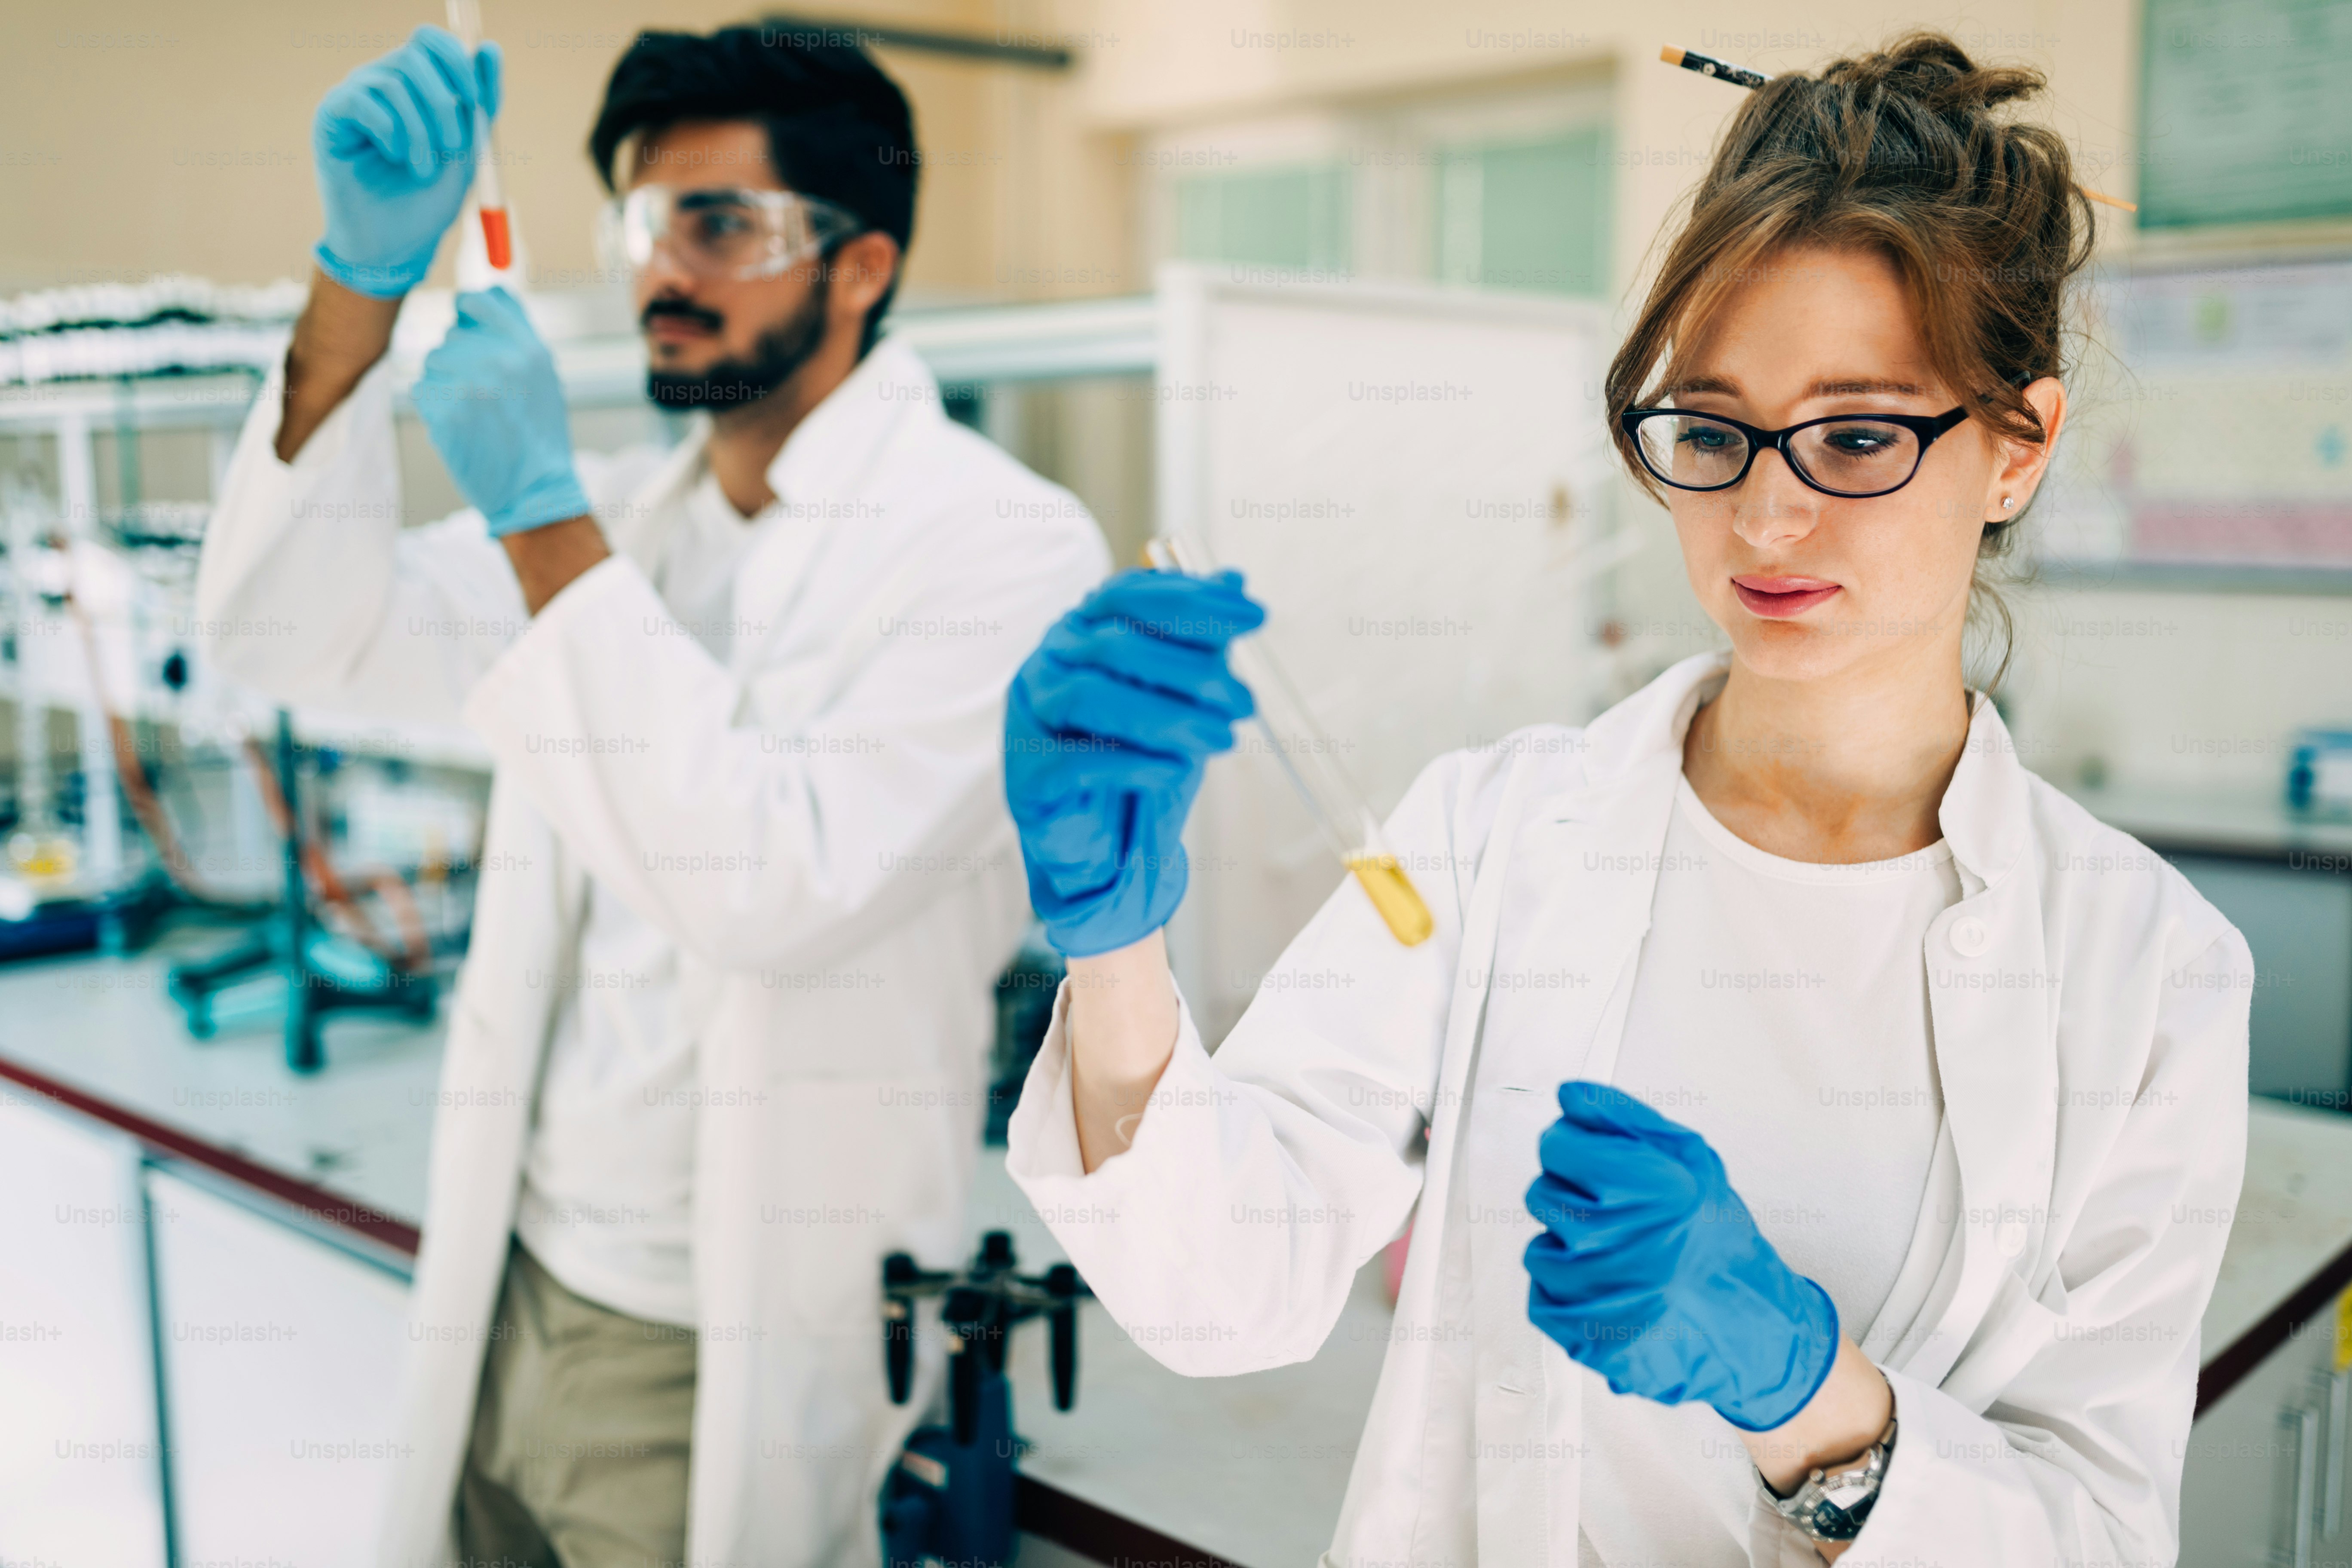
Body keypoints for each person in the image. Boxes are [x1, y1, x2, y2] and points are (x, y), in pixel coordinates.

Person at [999, 34, 2250, 1568]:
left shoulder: (2150, 970)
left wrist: (1815, 1400)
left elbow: (2104, 1535)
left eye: (1858, 434)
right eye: (1712, 432)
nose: (1766, 512)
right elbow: (1219, 1297)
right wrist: (1113, 947)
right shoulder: (1494, 836)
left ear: (2020, 447)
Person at [194, 23, 1106, 1568]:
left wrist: (541, 517)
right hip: (509, 1275)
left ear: (863, 264)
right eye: (642, 222)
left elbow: (769, 884)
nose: (660, 271)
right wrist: (356, 295)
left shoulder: (1003, 550)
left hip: (719, 1334)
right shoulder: (636, 515)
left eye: (720, 224)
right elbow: (288, 637)